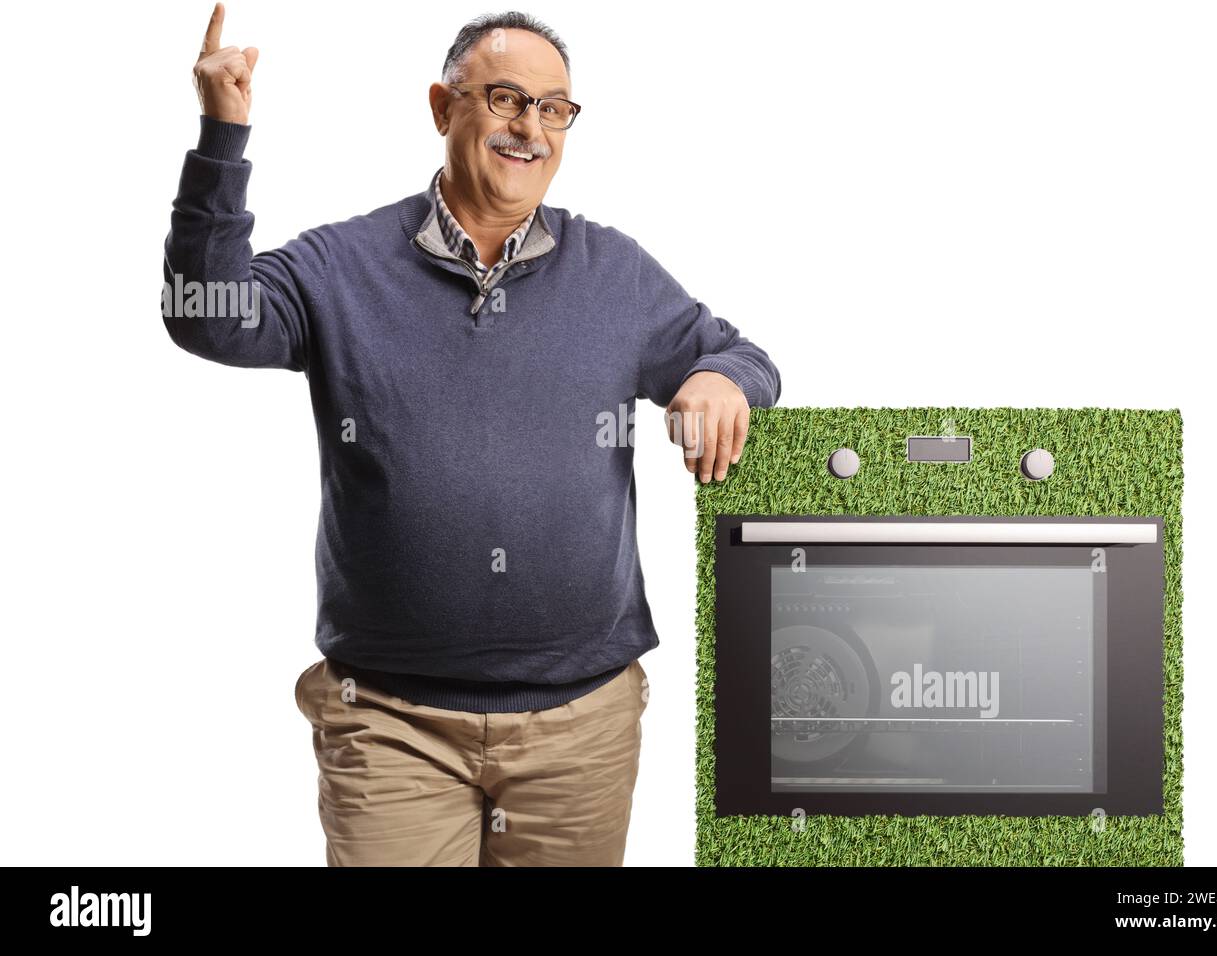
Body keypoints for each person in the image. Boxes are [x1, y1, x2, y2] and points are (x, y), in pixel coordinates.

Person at [164, 4, 781, 866]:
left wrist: (720, 377)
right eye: (504, 98)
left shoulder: (614, 272)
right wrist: (222, 137)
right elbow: (209, 319)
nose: (530, 127)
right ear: (441, 106)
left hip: (582, 729)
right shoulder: (342, 266)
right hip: (389, 724)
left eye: (554, 108)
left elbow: (738, 355)